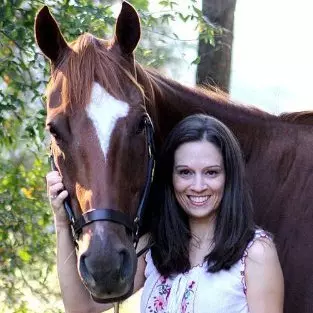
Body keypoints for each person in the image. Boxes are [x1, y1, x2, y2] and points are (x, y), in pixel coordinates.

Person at [46, 114, 284, 313]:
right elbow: (80, 308)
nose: (198, 185)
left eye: (211, 173)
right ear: (170, 177)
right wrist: (61, 223)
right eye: (185, 172)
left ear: (229, 177)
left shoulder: (255, 254)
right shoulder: (153, 248)